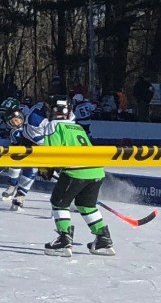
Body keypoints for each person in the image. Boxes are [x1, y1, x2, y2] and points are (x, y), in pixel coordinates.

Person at [40, 96, 112, 256]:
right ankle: (103, 239)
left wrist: (46, 169)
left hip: (76, 170)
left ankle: (64, 239)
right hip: (96, 170)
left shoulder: (52, 125)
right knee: (86, 205)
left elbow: (52, 152)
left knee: (59, 203)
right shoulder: (77, 127)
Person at [0, 96, 47, 209]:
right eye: (13, 121)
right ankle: (12, 186)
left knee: (31, 171)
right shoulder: (14, 132)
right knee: (15, 165)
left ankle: (21, 193)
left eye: (17, 119)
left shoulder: (31, 124)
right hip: (23, 154)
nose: (16, 122)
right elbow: (14, 145)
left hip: (35, 154)